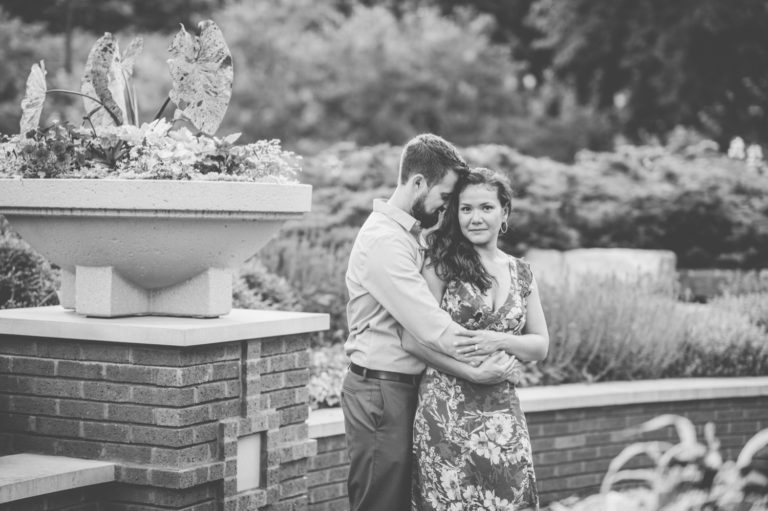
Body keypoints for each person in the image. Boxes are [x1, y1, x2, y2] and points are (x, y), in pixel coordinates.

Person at [342, 135, 520, 511]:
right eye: (444, 196)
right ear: (419, 183)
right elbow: (430, 325)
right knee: (380, 505)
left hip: (400, 389)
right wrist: (486, 354)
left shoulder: (408, 235)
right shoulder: (384, 241)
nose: (445, 208)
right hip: (380, 391)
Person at [407, 167, 550, 511]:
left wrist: (497, 340)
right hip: (447, 416)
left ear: (504, 212)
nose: (475, 218)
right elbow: (412, 342)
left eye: (486, 207)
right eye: (466, 209)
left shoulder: (522, 272)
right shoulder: (440, 265)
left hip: (504, 417)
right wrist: (473, 373)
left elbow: (540, 345)